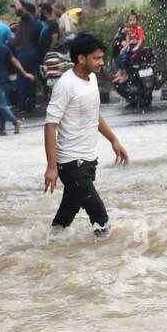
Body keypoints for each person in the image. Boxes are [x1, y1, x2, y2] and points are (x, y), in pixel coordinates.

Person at [43, 33, 129, 234]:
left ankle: (49, 246)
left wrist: (114, 141)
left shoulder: (91, 80)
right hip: (71, 163)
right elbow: (50, 125)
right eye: (96, 58)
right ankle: (106, 260)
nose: (101, 63)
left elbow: (94, 115)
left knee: (66, 215)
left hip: (88, 160)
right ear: (81, 58)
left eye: (102, 58)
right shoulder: (65, 85)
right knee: (100, 217)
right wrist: (51, 166)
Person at [0, 27, 36, 134]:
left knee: (0, 105)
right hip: (6, 80)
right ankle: (1, 128)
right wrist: (25, 73)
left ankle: (15, 122)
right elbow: (15, 61)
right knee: (4, 104)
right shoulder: (5, 49)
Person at [11, 2, 41, 110]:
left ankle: (23, 105)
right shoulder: (25, 21)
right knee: (28, 78)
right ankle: (29, 104)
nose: (15, 11)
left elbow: (20, 10)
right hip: (27, 52)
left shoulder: (28, 18)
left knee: (23, 79)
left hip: (26, 53)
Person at [110, 11, 144, 86]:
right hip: (130, 45)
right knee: (120, 55)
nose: (132, 22)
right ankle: (119, 73)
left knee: (124, 58)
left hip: (135, 45)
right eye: (130, 20)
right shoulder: (130, 29)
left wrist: (137, 46)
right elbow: (127, 37)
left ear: (137, 20)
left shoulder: (138, 28)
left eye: (133, 20)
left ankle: (125, 75)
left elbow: (141, 38)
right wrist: (125, 47)